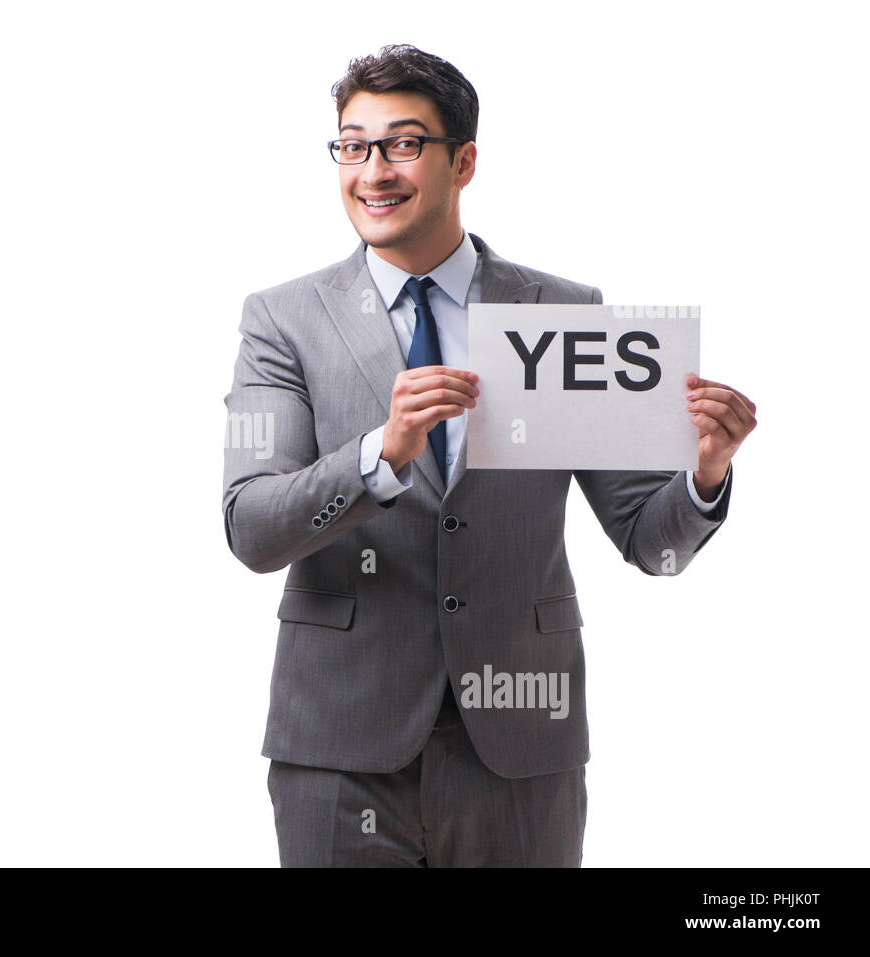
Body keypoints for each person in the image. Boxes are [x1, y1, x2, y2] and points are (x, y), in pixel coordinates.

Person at [220, 44, 756, 867]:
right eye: (352, 145)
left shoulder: (564, 316)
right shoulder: (282, 320)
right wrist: (378, 454)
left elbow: (654, 543)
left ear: (463, 160)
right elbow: (253, 528)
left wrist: (705, 473)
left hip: (519, 749)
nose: (373, 171)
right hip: (340, 743)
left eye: (403, 143)